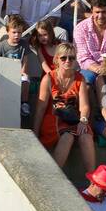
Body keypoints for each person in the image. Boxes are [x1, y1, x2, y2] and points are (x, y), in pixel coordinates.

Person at [33, 42, 96, 173]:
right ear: (57, 59)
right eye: (64, 58)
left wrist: (84, 120)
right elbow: (40, 108)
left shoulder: (80, 78)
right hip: (54, 120)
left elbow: (84, 106)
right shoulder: (49, 78)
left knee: (86, 136)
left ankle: (93, 181)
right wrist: (35, 133)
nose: (68, 61)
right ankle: (54, 177)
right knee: (68, 136)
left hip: (73, 119)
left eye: (72, 58)